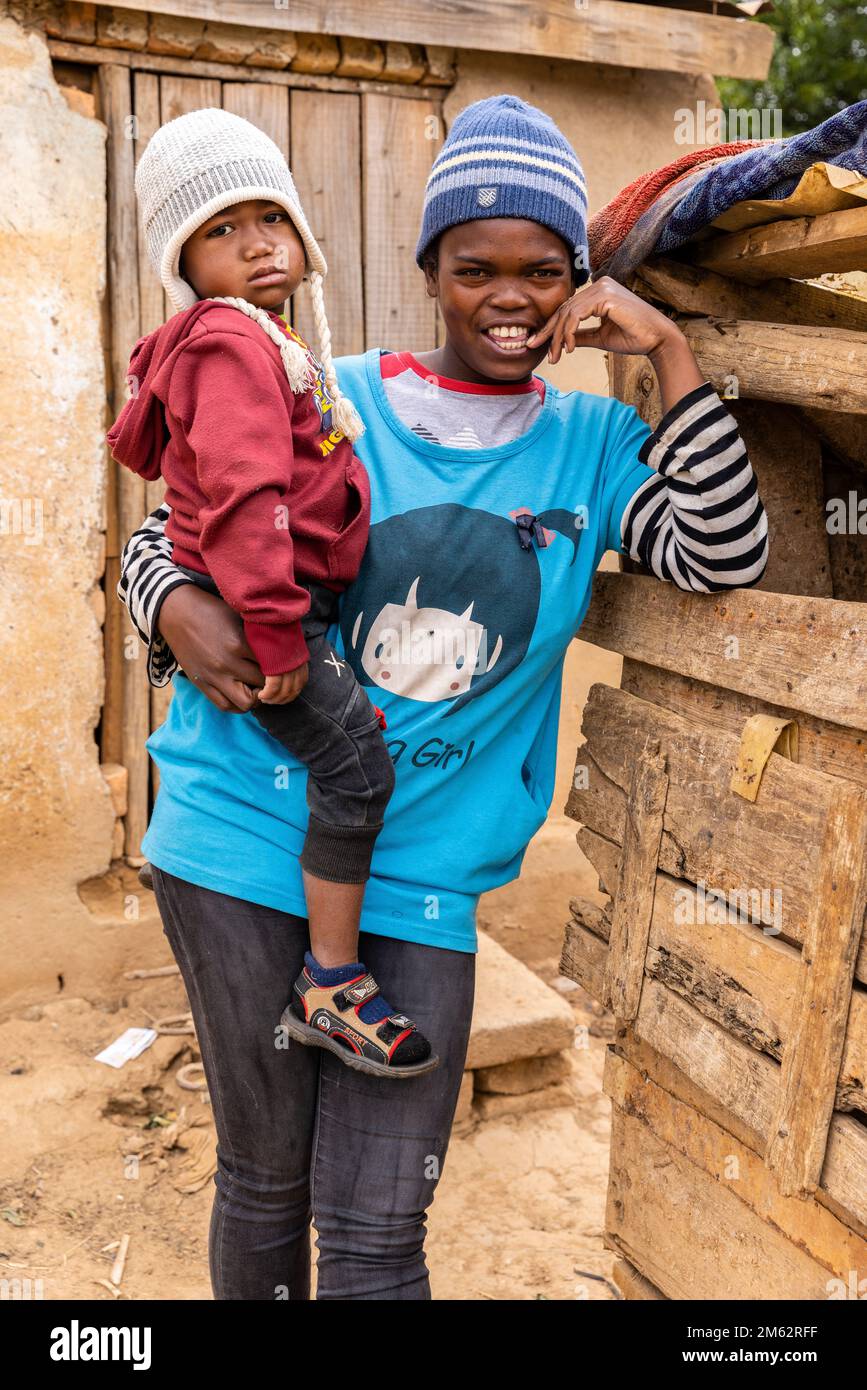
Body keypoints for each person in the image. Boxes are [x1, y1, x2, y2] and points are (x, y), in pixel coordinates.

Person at [117, 94, 768, 1300]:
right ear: (431, 271)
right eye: (476, 268)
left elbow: (721, 552)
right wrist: (166, 604)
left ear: (579, 281)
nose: (509, 298)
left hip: (423, 877)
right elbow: (171, 535)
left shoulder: (592, 443)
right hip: (243, 835)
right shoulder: (325, 394)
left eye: (542, 270)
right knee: (265, 1182)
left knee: (378, 1234)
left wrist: (667, 355)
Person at [107, 107, 436, 1077]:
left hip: (264, 605)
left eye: (271, 218)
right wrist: (281, 638)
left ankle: (327, 968)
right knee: (359, 771)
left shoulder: (271, 347)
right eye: (221, 229)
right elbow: (249, 505)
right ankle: (332, 979)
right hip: (263, 617)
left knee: (343, 767)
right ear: (182, 257)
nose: (257, 244)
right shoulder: (231, 347)